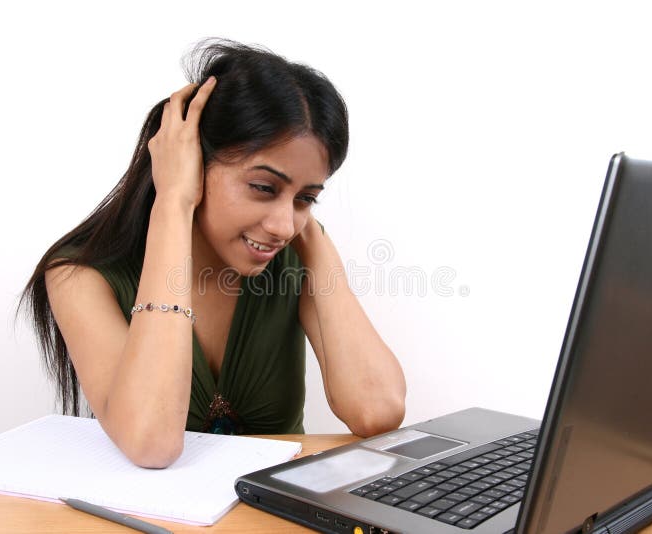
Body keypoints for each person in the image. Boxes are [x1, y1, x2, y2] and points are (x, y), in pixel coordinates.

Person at [21, 39, 406, 468]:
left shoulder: (294, 255)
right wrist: (172, 201)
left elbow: (378, 411)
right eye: (264, 187)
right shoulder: (78, 276)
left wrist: (313, 239)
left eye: (306, 197)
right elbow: (150, 443)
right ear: (190, 164)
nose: (282, 224)